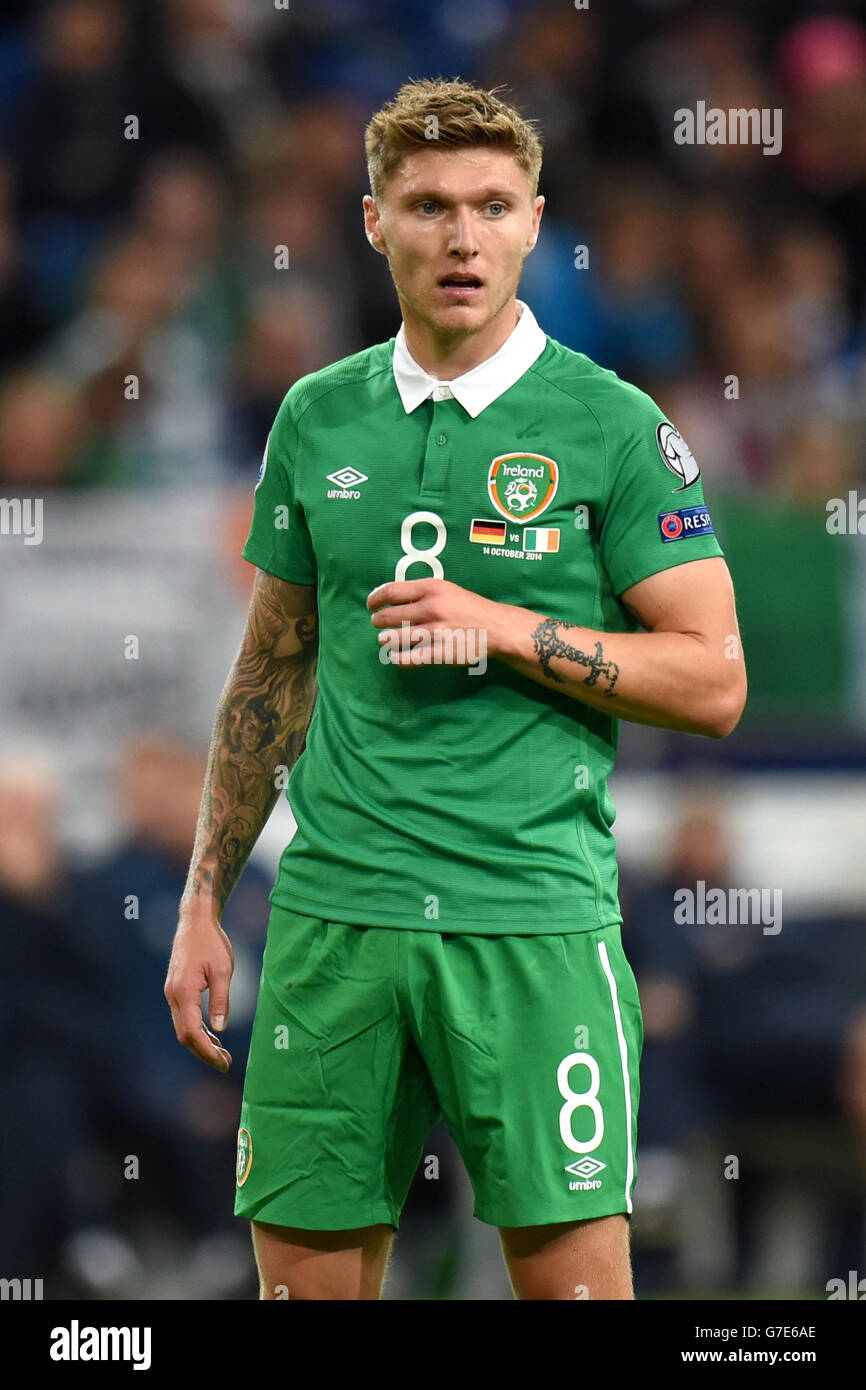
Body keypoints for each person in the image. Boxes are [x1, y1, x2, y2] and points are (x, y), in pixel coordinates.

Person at [164, 77, 747, 1301]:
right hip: (334, 923)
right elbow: (272, 670)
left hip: (529, 919)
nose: (461, 237)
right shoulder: (316, 419)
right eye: (427, 205)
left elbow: (711, 680)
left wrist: (504, 625)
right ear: (373, 222)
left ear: (535, 220)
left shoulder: (611, 425)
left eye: (491, 205)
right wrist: (203, 896)